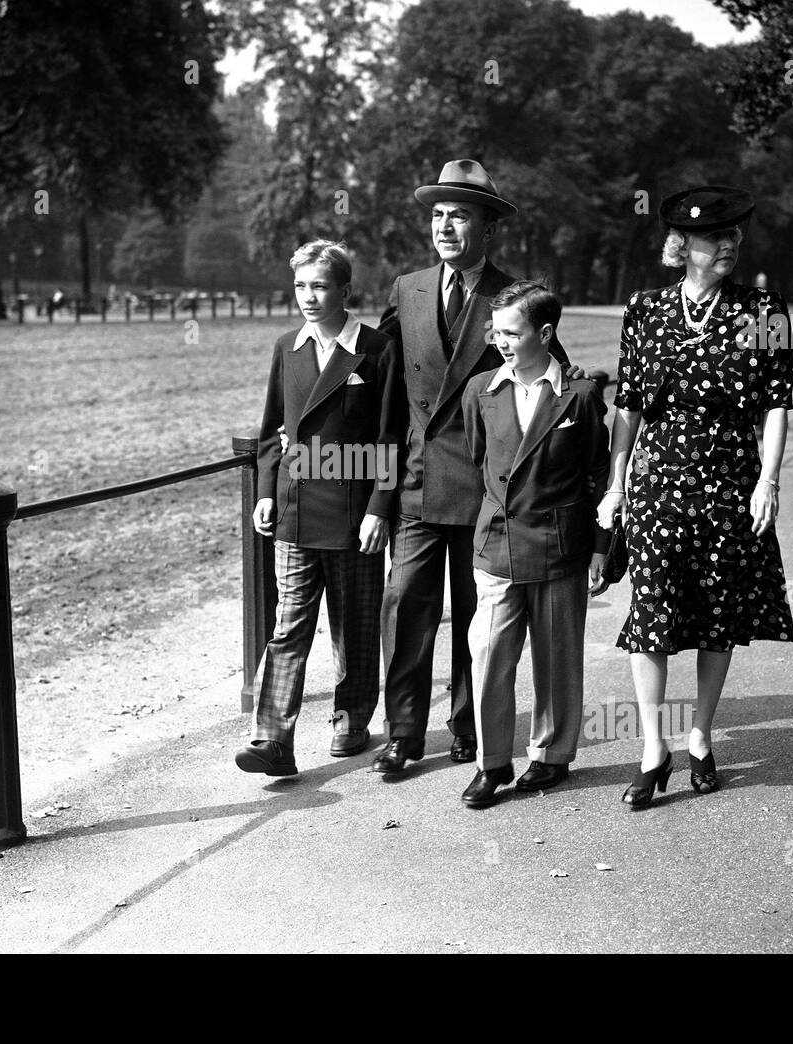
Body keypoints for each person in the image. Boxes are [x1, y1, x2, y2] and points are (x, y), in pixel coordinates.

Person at [371, 159, 581, 775]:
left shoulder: (514, 298)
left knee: (475, 615)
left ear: (488, 229)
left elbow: (556, 382)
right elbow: (382, 386)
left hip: (489, 491)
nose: (444, 226)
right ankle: (403, 733)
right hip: (416, 482)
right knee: (405, 604)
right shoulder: (406, 289)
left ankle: (468, 727)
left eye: (459, 215)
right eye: (437, 215)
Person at [597, 185, 793, 810]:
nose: (731, 245)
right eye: (718, 237)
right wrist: (615, 486)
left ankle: (702, 738)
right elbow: (628, 405)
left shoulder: (761, 309)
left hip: (731, 483)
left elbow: (774, 404)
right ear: (684, 246)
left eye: (736, 236)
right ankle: (654, 749)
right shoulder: (645, 309)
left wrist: (769, 479)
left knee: (718, 615)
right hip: (658, 483)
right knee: (651, 617)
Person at [235, 240, 403, 776]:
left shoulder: (376, 350)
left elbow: (390, 436)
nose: (309, 297)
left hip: (355, 513)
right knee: (289, 625)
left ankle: (352, 719)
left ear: (345, 290)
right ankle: (271, 739)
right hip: (296, 507)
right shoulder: (288, 346)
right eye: (301, 286)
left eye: (320, 286)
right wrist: (265, 491)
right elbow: (269, 432)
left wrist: (380, 505)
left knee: (354, 624)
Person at [458, 281, 611, 808]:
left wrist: (599, 547)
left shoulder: (582, 395)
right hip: (498, 546)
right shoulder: (480, 390)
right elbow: (482, 464)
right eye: (496, 331)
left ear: (545, 333)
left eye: (513, 332)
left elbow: (599, 475)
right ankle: (491, 763)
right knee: (490, 654)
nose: (501, 341)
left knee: (557, 657)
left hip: (559, 546)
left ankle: (550, 756)